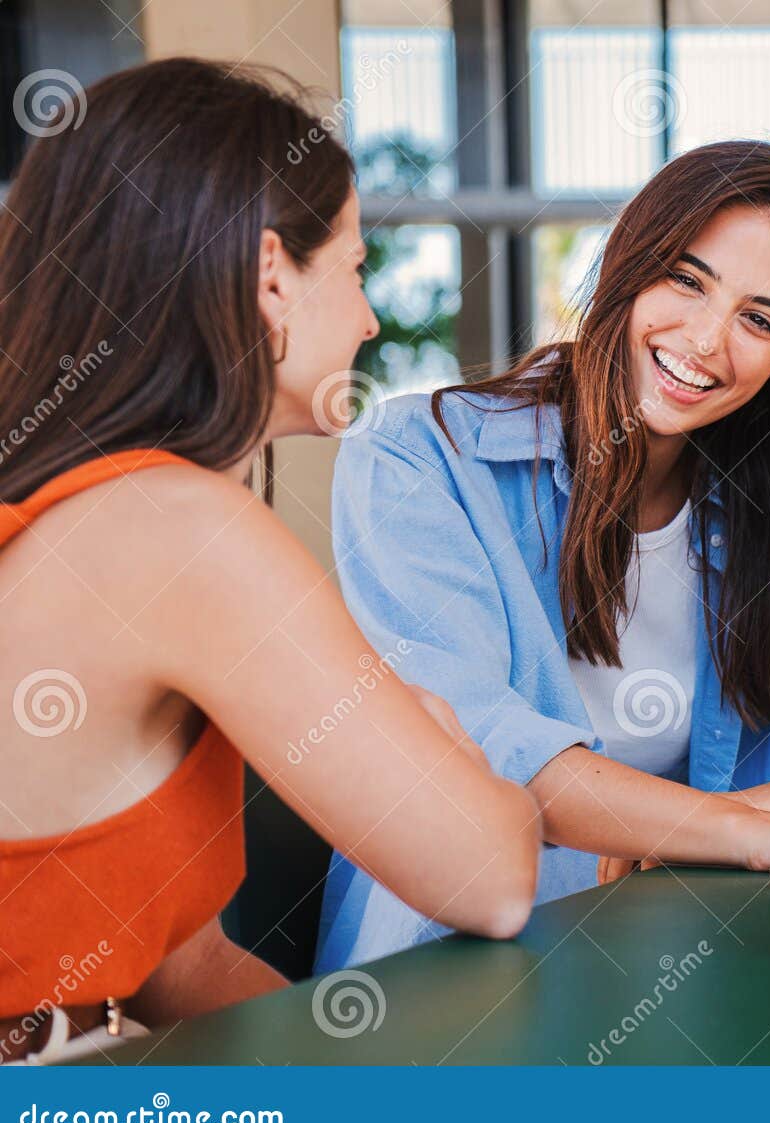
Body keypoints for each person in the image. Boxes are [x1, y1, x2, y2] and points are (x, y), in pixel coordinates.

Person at [314, 140, 770, 971]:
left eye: (759, 319)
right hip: (451, 980)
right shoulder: (420, 459)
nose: (704, 340)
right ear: (630, 266)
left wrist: (752, 817)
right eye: (686, 281)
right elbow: (481, 760)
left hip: (681, 965)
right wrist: (735, 830)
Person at [0, 60, 541, 1064]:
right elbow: (493, 875)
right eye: (357, 269)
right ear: (269, 276)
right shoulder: (176, 530)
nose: (373, 319)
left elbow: (182, 965)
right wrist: (445, 735)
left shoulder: (91, 516)